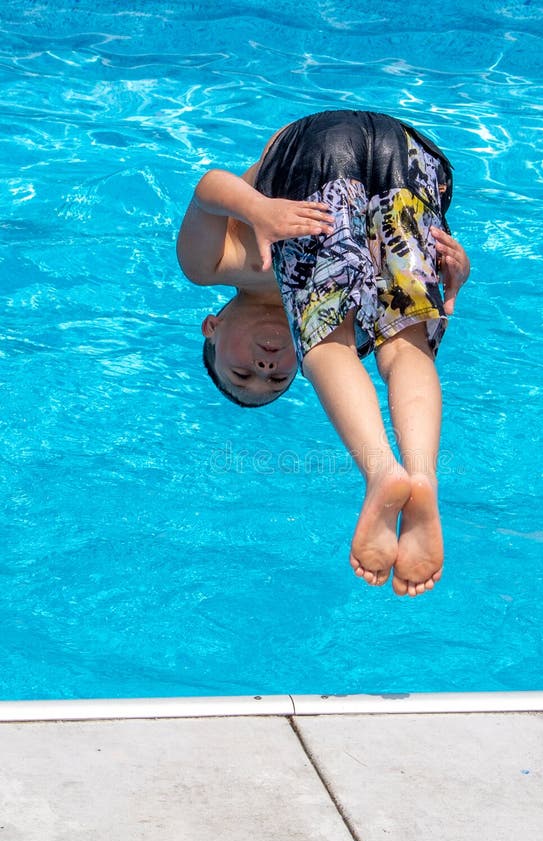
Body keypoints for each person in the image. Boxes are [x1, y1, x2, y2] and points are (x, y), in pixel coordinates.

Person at [177, 109, 470, 596]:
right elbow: (424, 256)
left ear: (213, 327)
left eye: (241, 373)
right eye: (274, 380)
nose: (265, 368)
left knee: (326, 348)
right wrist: (455, 266)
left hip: (316, 155)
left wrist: (258, 210)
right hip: (407, 154)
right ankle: (420, 480)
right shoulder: (343, 319)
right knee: (404, 341)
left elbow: (208, 187)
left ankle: (382, 473)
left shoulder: (212, 264)